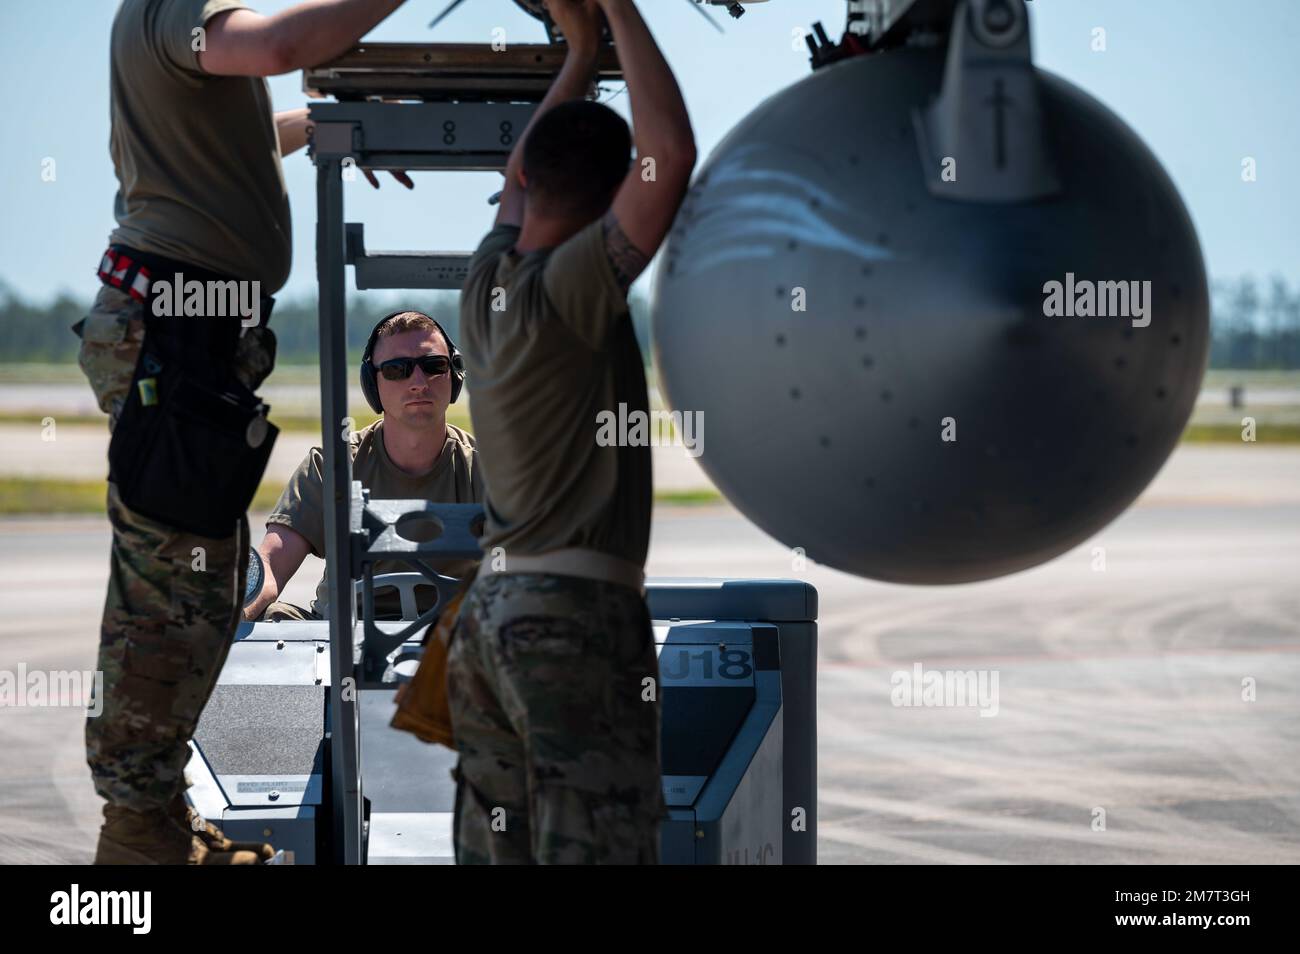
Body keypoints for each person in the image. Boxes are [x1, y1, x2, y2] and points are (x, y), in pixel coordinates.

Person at [77, 0, 411, 865]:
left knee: (199, 589)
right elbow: (285, 45)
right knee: (168, 605)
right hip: (176, 338)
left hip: (191, 339)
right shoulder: (176, 5)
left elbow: (242, 143)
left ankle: (151, 819)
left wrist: (337, 123)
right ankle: (138, 839)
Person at [451, 0, 696, 864]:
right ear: (606, 201)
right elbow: (672, 157)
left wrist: (583, 47)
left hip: (489, 620)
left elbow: (522, 176)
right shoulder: (572, 290)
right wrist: (620, 10)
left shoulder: (487, 284)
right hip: (571, 620)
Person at [246, 310, 482, 622]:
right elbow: (273, 564)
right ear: (373, 384)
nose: (418, 382)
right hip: (341, 635)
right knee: (270, 623)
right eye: (398, 369)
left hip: (456, 637)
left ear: (454, 376)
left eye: (434, 366)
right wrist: (237, 611)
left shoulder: (486, 468)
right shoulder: (333, 465)